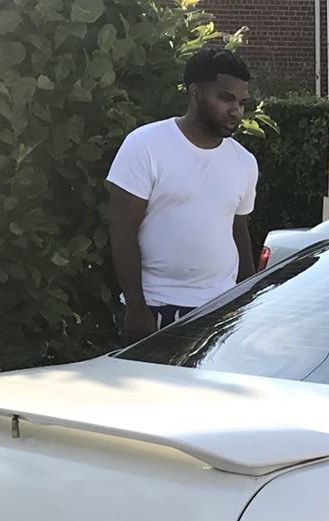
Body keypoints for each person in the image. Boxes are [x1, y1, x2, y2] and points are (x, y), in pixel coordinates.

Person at [106, 47, 258, 342]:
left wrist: (247, 299)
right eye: (225, 98)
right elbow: (122, 230)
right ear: (194, 92)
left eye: (241, 102)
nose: (236, 111)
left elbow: (239, 231)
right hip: (155, 307)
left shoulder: (245, 161)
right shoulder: (145, 145)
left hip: (220, 310)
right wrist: (136, 308)